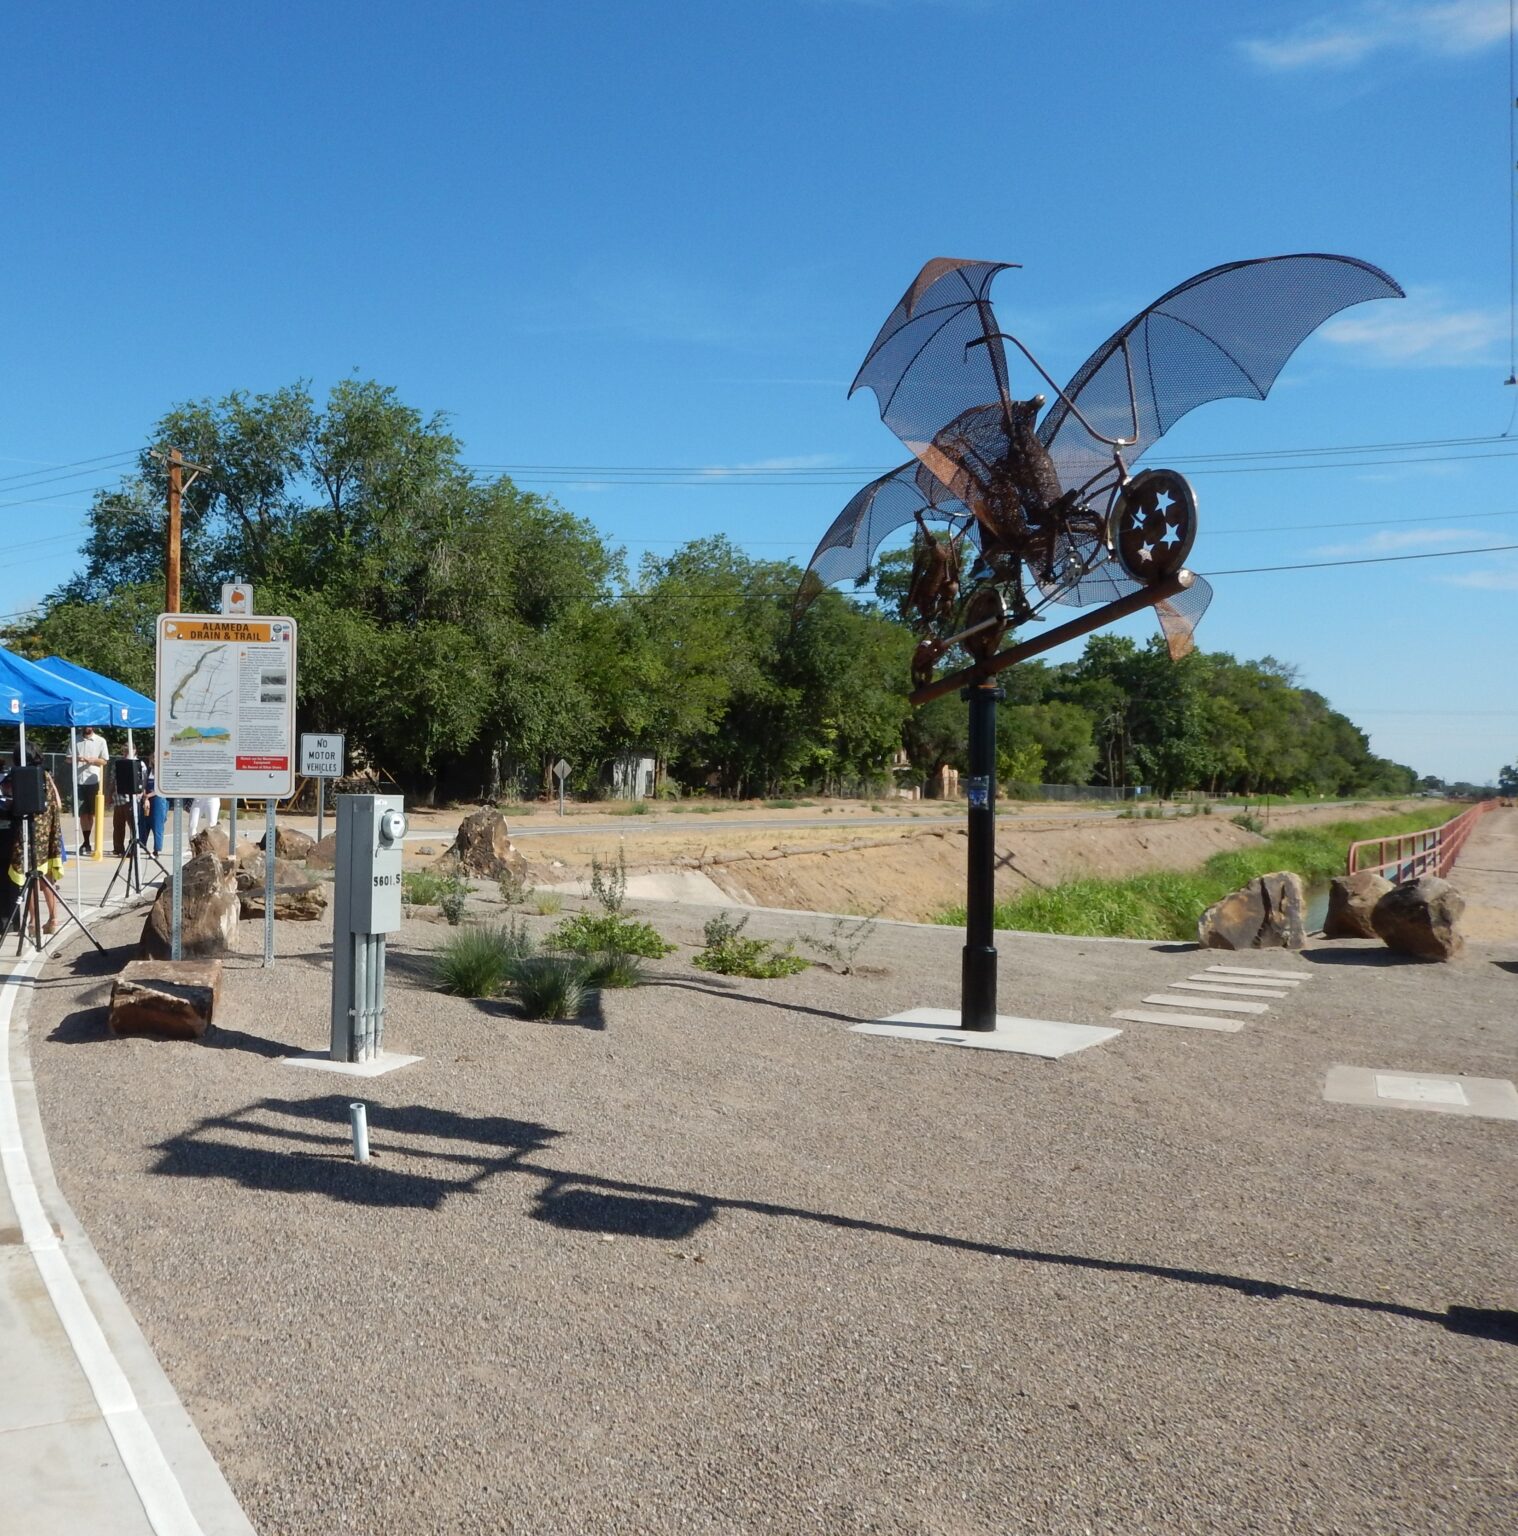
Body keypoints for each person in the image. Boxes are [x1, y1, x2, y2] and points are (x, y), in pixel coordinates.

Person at [6, 753, 63, 936]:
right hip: (47, 835)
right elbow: (59, 803)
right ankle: (54, 919)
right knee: (47, 878)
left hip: (28, 833)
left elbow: (10, 798)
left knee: (29, 877)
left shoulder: (20, 776)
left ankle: (33, 921)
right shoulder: (45, 775)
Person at [73, 726, 108, 855]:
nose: (88, 728)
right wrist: (77, 758)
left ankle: (92, 841)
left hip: (93, 780)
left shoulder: (100, 741)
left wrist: (92, 760)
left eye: (90, 726)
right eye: (85, 726)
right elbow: (68, 758)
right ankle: (86, 841)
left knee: (92, 813)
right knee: (83, 813)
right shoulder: (75, 739)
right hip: (79, 780)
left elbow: (104, 760)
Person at [138, 761, 167, 855]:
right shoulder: (149, 771)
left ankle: (156, 850)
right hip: (146, 799)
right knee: (144, 823)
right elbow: (144, 784)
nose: (153, 760)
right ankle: (141, 845)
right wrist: (144, 796)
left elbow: (162, 787)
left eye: (155, 757)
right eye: (152, 757)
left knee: (157, 824)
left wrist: (148, 796)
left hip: (158, 800)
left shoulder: (163, 772)